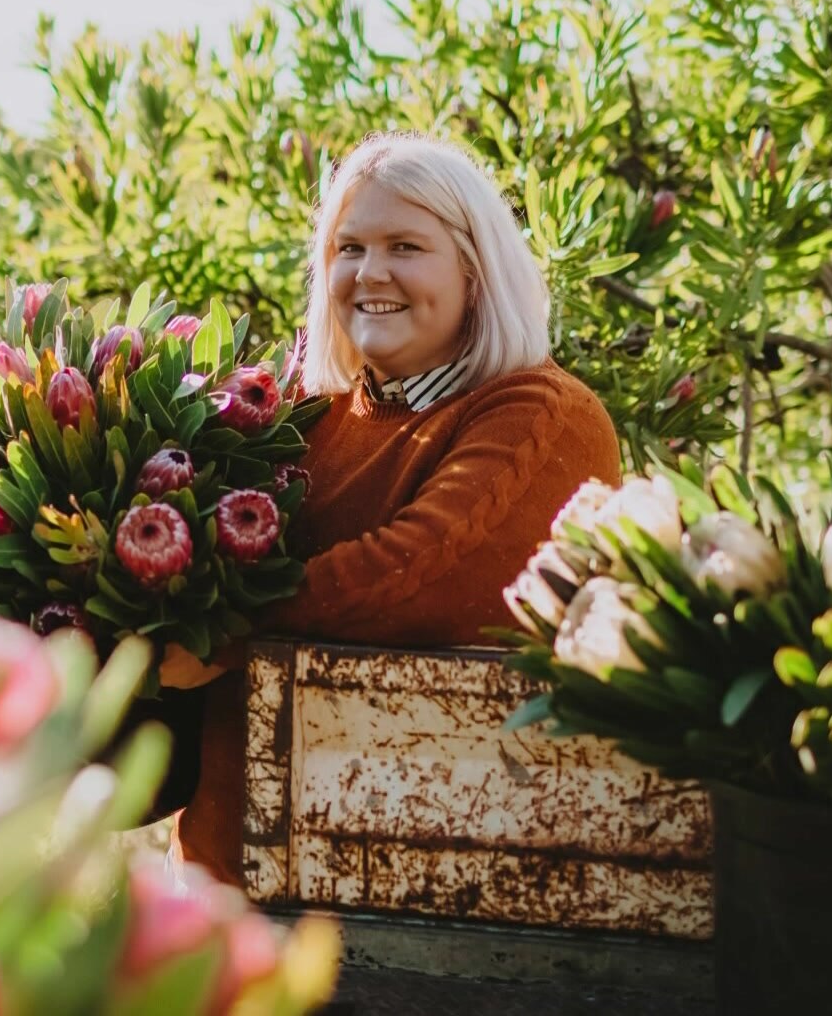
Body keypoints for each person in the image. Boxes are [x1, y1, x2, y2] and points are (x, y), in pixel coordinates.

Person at [167, 131, 622, 886]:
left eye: (405, 246)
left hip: (420, 894)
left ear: (476, 272)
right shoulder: (310, 420)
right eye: (349, 249)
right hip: (228, 872)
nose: (370, 274)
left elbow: (425, 569)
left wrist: (217, 630)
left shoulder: (544, 413)